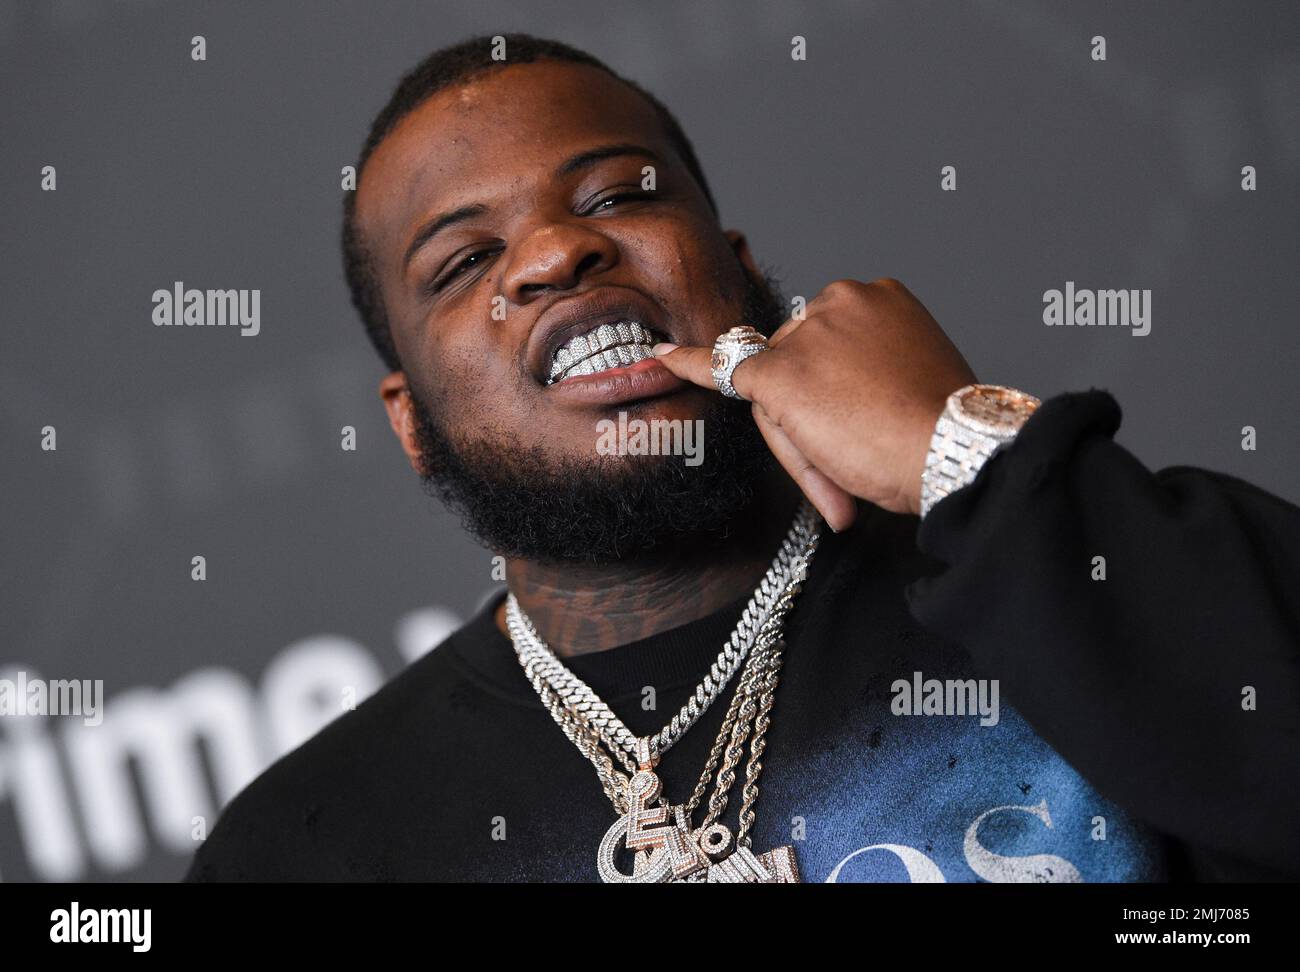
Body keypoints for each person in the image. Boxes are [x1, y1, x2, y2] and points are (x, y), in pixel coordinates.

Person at [184, 34, 1300, 883]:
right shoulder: (306, 845)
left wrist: (960, 448)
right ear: (410, 420)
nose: (557, 252)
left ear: (738, 275)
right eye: (465, 258)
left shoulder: (1074, 565)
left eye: (619, 196)